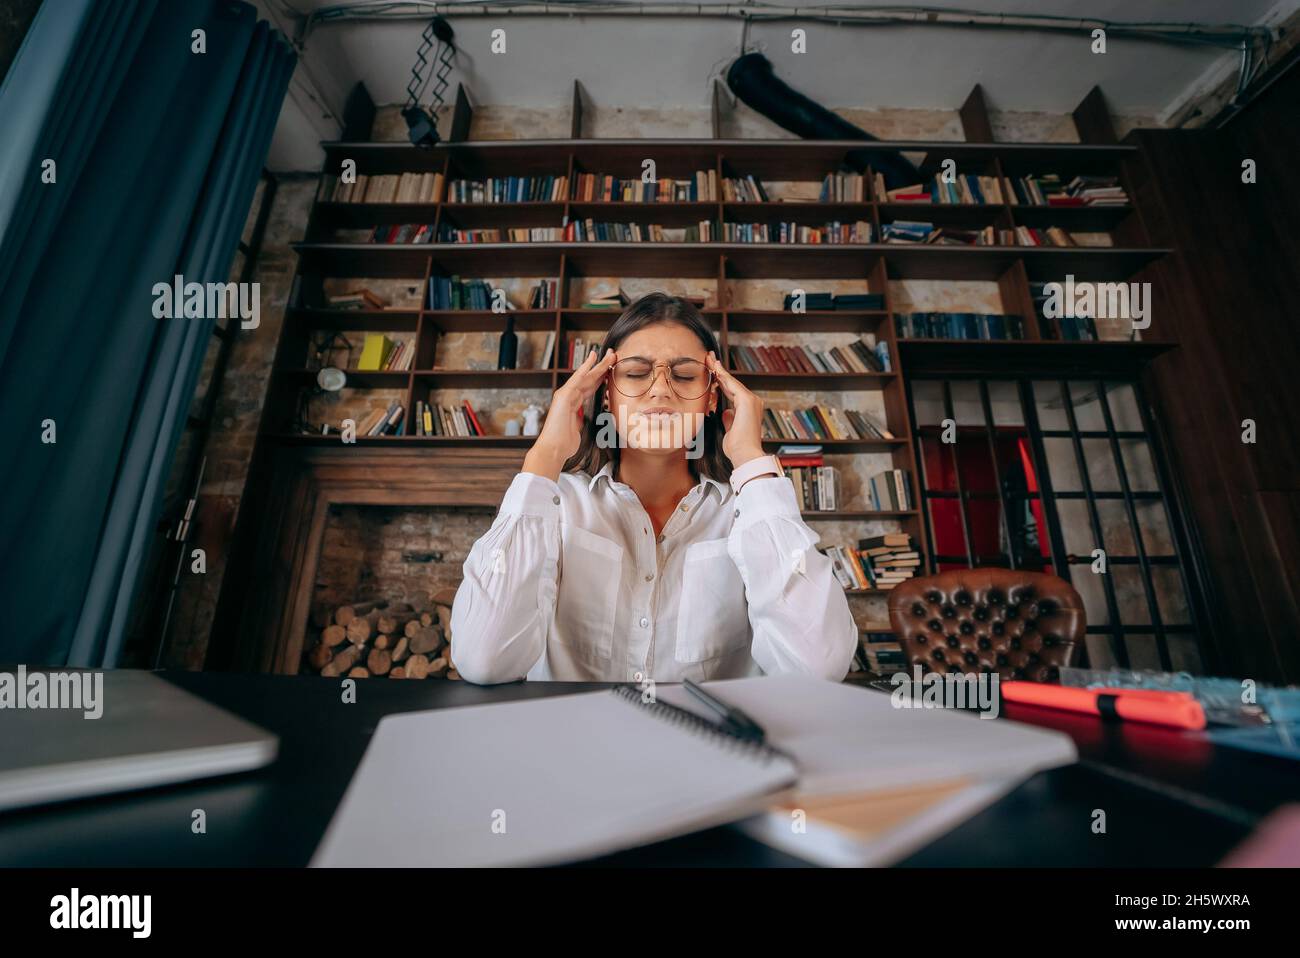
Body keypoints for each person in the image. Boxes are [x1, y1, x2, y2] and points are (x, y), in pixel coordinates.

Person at [449, 292, 857, 683]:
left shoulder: (746, 512)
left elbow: (817, 666)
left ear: (712, 397)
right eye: (635, 373)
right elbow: (485, 659)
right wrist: (545, 454)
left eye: (684, 375)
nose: (660, 389)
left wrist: (750, 459)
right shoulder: (558, 505)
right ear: (606, 394)